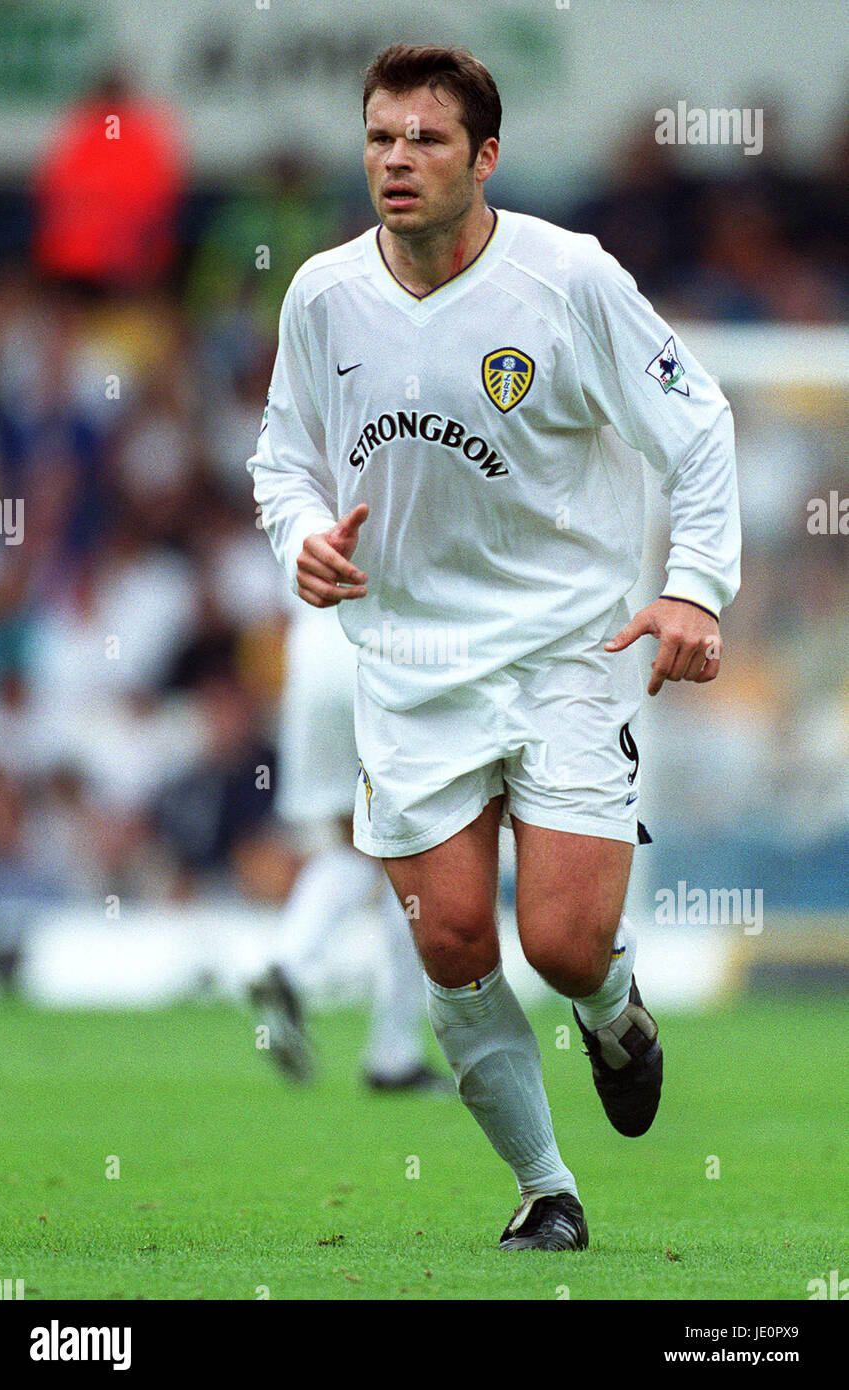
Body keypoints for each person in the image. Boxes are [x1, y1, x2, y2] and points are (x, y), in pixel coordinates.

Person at [247, 44, 740, 1252]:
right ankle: (543, 1187)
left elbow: (698, 423)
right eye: (379, 138)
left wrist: (694, 590)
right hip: (407, 668)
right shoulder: (320, 295)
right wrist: (302, 536)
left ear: (485, 157)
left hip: (566, 650)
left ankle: (614, 1012)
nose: (396, 160)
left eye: (423, 139)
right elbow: (282, 456)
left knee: (561, 948)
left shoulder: (566, 278)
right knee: (452, 944)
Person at [248, 600, 450, 1092]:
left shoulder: (295, 517)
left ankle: (288, 963)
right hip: (383, 653)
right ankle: (393, 1053)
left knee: (351, 842)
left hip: (310, 660)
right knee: (414, 852)